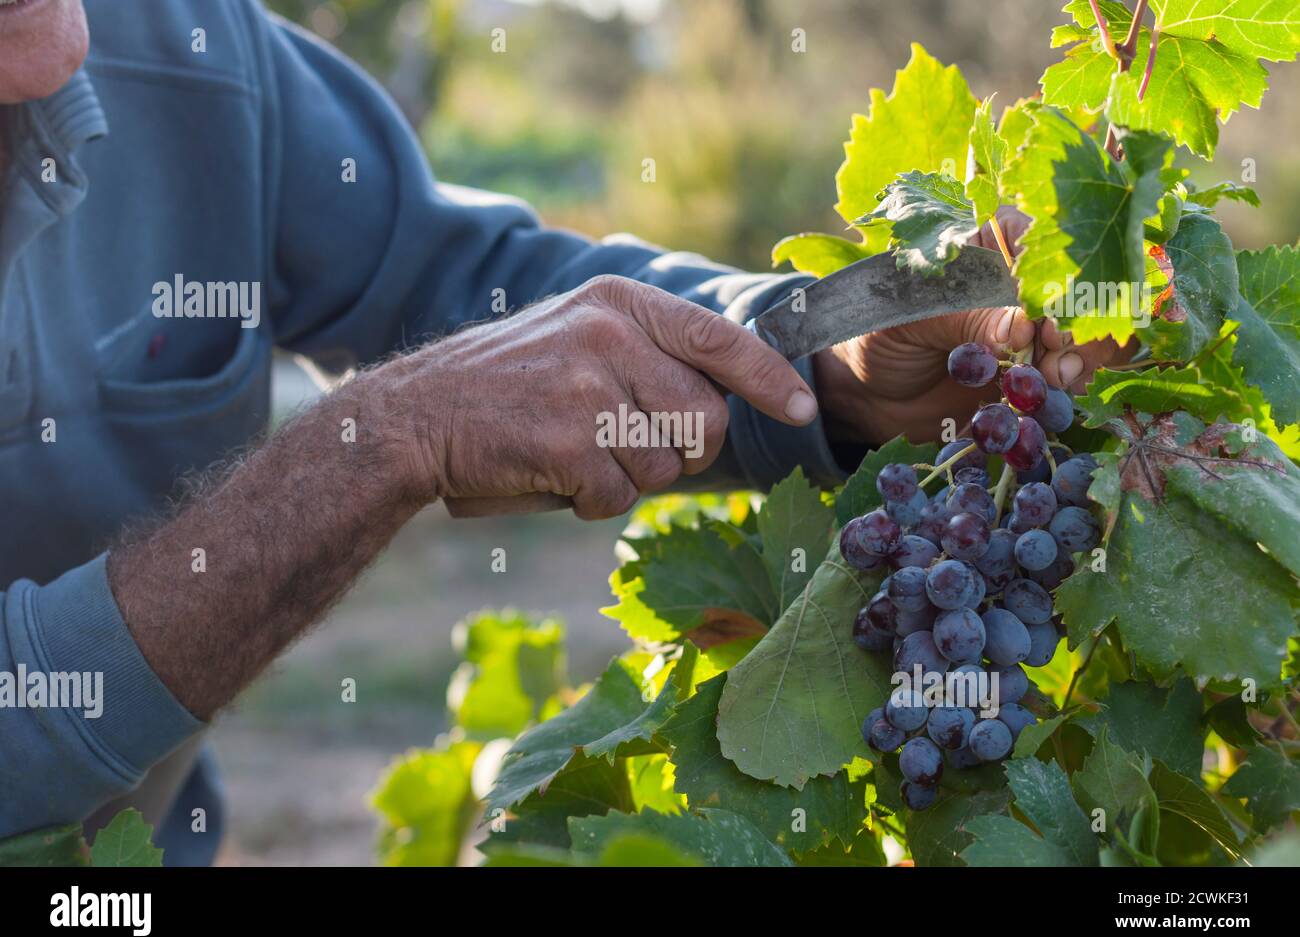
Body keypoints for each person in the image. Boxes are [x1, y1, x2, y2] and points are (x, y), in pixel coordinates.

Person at [0, 0, 1119, 864]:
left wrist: (825, 356)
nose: (61, 54)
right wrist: (377, 440)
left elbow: (459, 285)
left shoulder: (183, 41)